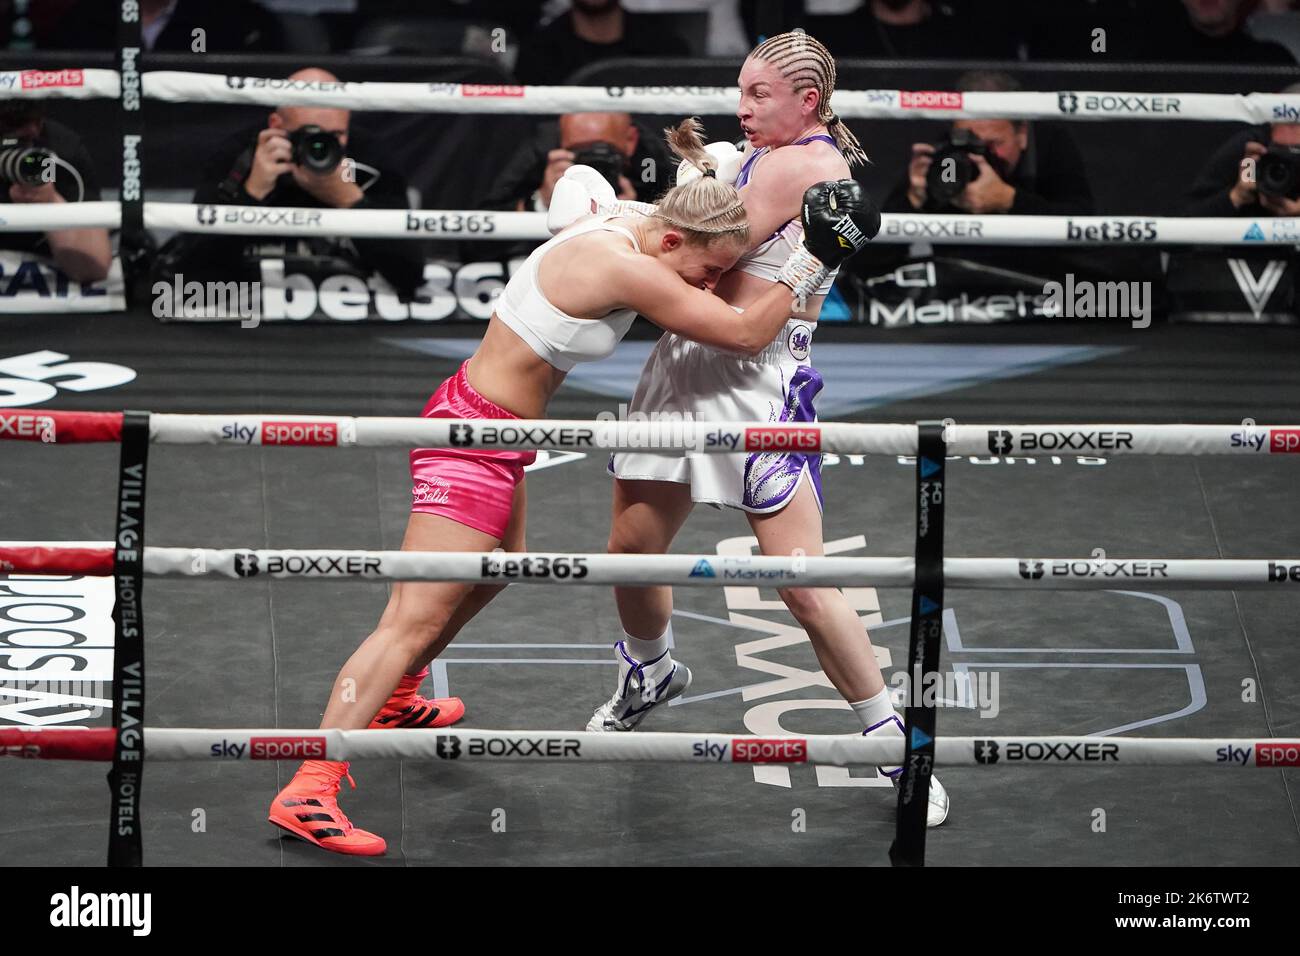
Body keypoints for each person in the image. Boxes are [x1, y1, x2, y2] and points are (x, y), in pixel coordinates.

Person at [266, 121, 878, 856]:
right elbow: (745, 333)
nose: (712, 283)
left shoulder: (624, 219)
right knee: (410, 621)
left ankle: (396, 697)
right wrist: (813, 256)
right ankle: (311, 784)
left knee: (497, 572)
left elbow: (577, 189)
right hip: (471, 436)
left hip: (494, 428)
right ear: (676, 242)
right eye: (709, 271)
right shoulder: (632, 268)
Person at [590, 30, 949, 827]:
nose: (741, 106)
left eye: (758, 95)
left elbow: (702, 253)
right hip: (690, 357)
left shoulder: (803, 165)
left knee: (804, 583)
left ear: (807, 103)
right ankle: (648, 672)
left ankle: (898, 747)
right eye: (740, 89)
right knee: (632, 549)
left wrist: (617, 220)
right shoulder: (760, 153)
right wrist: (690, 181)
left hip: (752, 380)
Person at [157, 66, 426, 300]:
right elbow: (192, 278)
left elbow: (410, 274)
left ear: (348, 125)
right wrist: (251, 195)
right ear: (276, 124)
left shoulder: (368, 157)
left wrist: (351, 202)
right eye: (309, 135)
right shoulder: (240, 155)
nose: (321, 148)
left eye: (336, 135)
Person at [0, 101, 110, 283]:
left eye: (35, 120)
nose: (32, 131)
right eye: (10, 124)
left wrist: (50, 202)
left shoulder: (61, 150)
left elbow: (92, 269)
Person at [1182, 81, 1300, 218]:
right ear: (1272, 121)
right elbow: (1187, 221)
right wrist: (1237, 195)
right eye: (1281, 150)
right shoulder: (1252, 150)